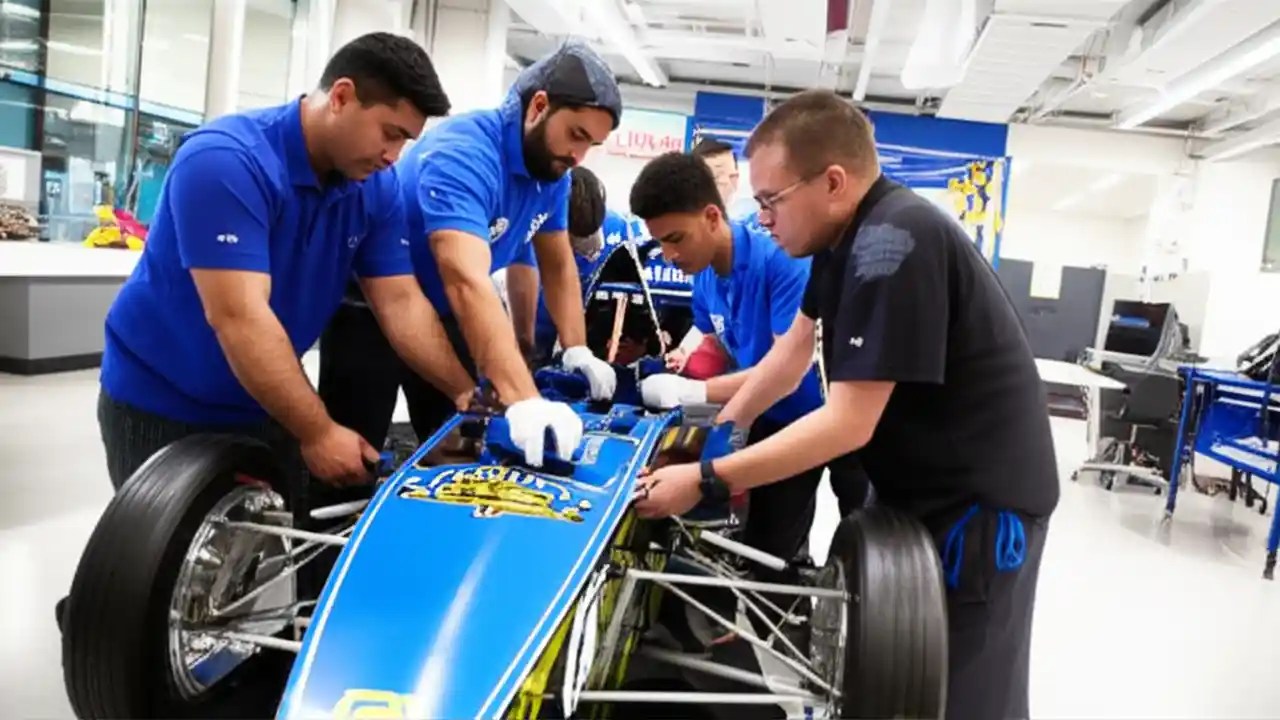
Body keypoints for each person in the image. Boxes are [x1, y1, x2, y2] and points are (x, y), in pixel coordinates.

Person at [634, 90, 1059, 719]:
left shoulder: (894, 241)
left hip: (980, 511)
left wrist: (706, 479)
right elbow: (790, 356)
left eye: (771, 200)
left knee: (961, 693)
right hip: (923, 495)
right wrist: (725, 425)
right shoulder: (841, 246)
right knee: (899, 689)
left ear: (833, 183)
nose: (765, 219)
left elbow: (847, 422)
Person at [98, 32, 474, 492]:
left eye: (406, 142)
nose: (393, 156)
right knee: (169, 559)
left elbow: (400, 303)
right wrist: (318, 431)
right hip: (165, 404)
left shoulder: (376, 188)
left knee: (271, 549)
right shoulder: (226, 161)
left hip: (268, 400)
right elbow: (241, 318)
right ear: (341, 96)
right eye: (390, 134)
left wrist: (465, 393)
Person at [320, 40, 621, 467]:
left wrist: (576, 349)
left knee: (465, 450)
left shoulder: (554, 174)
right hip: (371, 305)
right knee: (351, 460)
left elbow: (556, 264)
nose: (579, 155)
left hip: (447, 311)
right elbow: (465, 278)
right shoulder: (465, 153)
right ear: (538, 107)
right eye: (576, 135)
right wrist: (525, 398)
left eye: (592, 144)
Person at [629, 151, 867, 571]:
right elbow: (721, 348)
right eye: (660, 241)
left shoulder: (782, 261)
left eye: (676, 238)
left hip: (837, 419)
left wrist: (694, 393)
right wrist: (680, 386)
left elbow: (784, 370)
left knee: (869, 543)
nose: (668, 254)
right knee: (769, 550)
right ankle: (779, 617)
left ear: (711, 216)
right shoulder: (702, 275)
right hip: (771, 420)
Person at [507, 165, 608, 364]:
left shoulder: (591, 230)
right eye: (570, 239)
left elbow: (564, 277)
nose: (572, 248)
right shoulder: (520, 230)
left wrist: (578, 353)